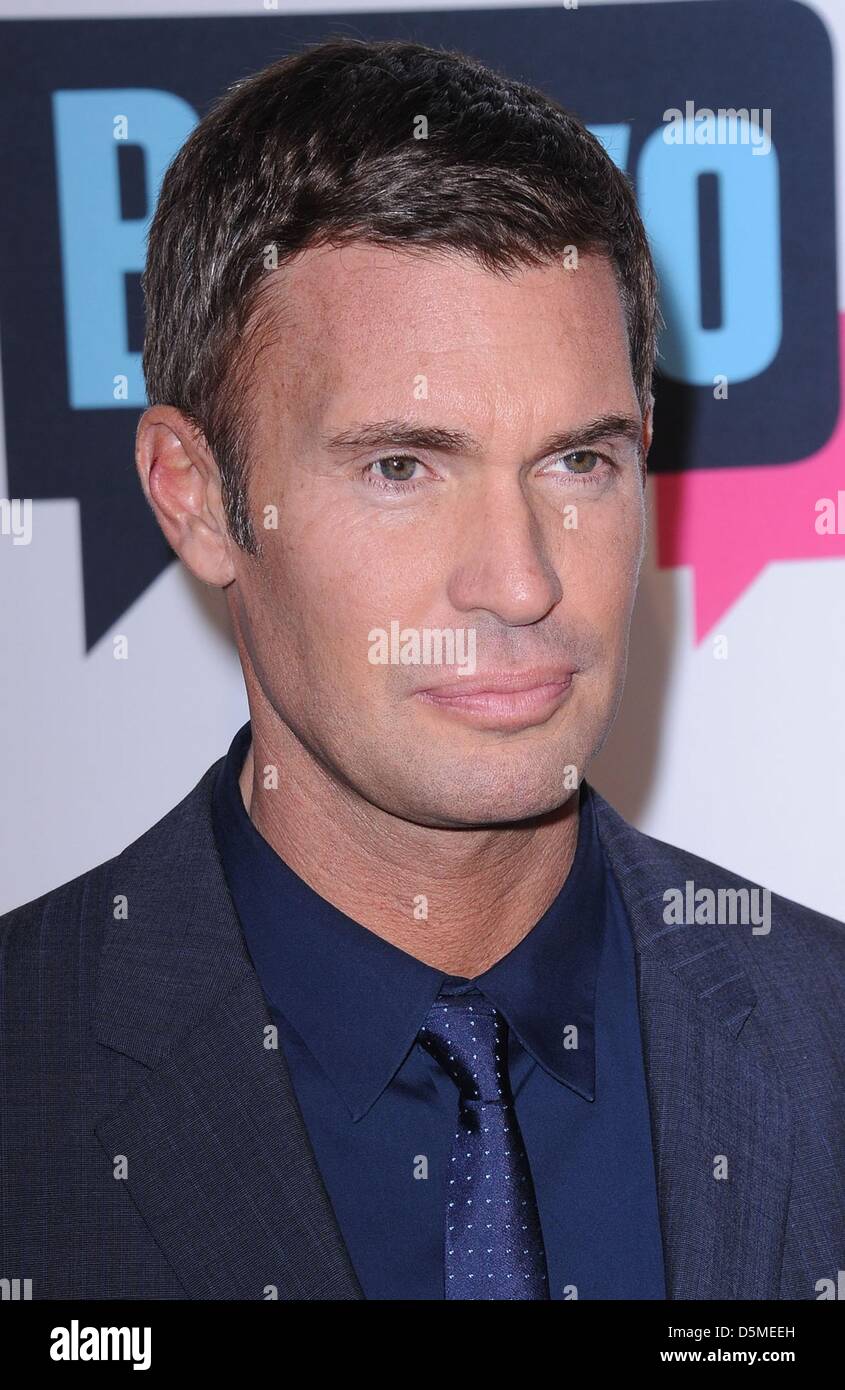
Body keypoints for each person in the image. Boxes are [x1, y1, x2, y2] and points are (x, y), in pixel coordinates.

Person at [1, 37, 842, 1301]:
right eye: (401, 466)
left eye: (578, 461)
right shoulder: (30, 1071)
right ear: (195, 498)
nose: (519, 583)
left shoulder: (819, 1036)